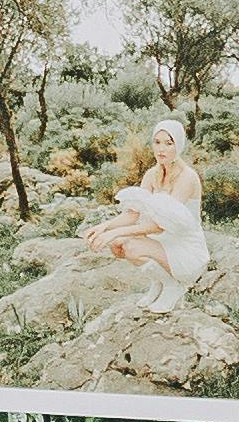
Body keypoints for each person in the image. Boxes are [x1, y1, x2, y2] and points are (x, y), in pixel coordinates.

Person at [83, 109, 208, 292]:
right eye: (157, 142)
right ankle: (160, 282)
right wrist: (105, 227)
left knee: (131, 246)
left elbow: (161, 225)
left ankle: (174, 286)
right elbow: (133, 214)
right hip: (163, 240)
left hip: (185, 247)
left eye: (168, 143)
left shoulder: (187, 177)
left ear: (179, 146)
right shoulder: (151, 174)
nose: (161, 149)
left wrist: (115, 233)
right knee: (117, 244)